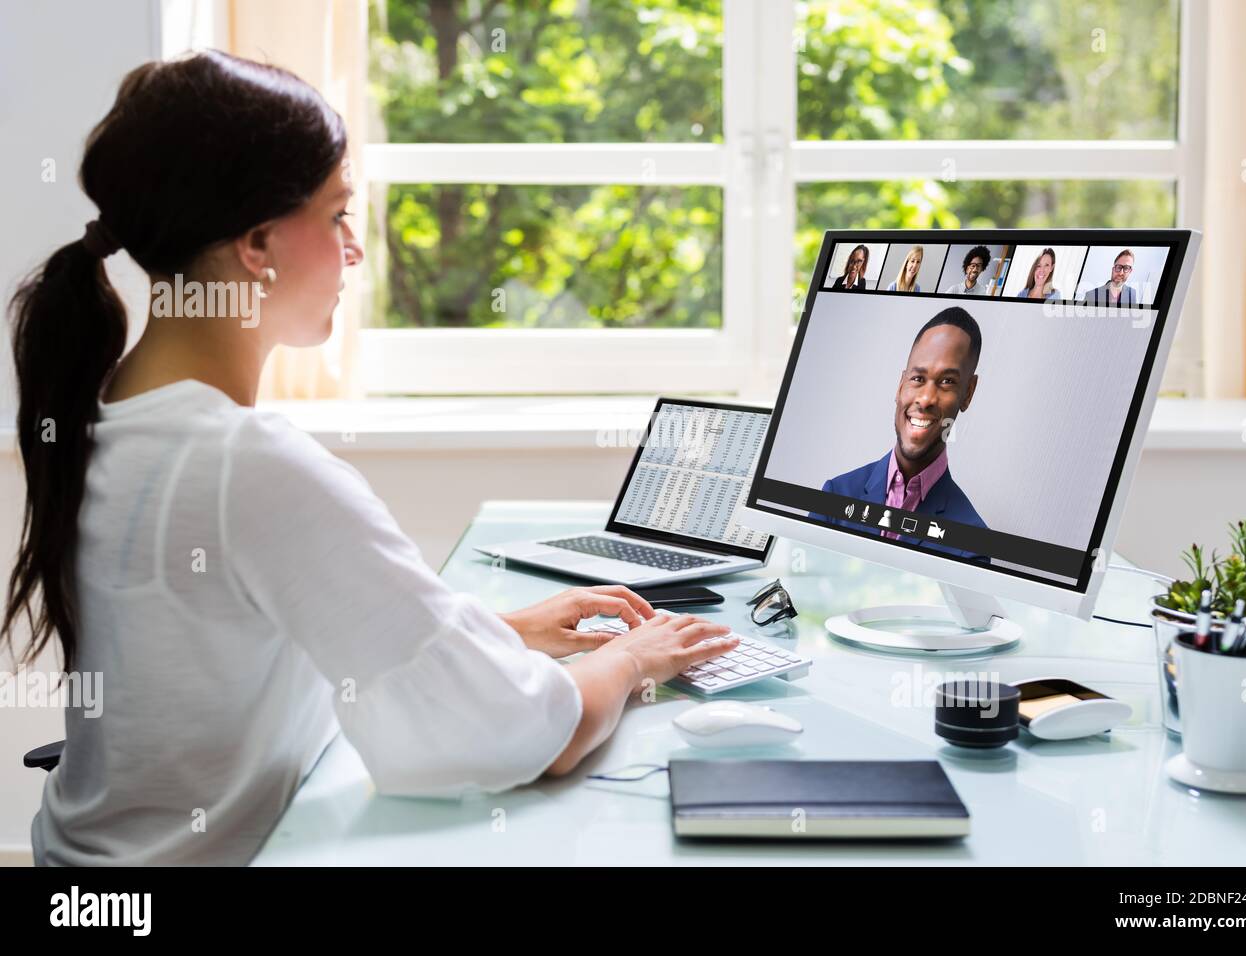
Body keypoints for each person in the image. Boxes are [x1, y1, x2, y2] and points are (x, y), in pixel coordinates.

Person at [2, 51, 737, 866]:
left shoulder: (109, 410)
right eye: (337, 215)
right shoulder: (244, 463)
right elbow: (522, 734)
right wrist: (629, 659)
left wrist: (503, 631)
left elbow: (237, 643)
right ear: (256, 243)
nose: (355, 251)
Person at [810, 307, 987, 559]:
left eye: (947, 381)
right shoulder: (835, 494)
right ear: (901, 384)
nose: (925, 399)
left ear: (968, 393)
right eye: (917, 378)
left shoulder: (971, 544)